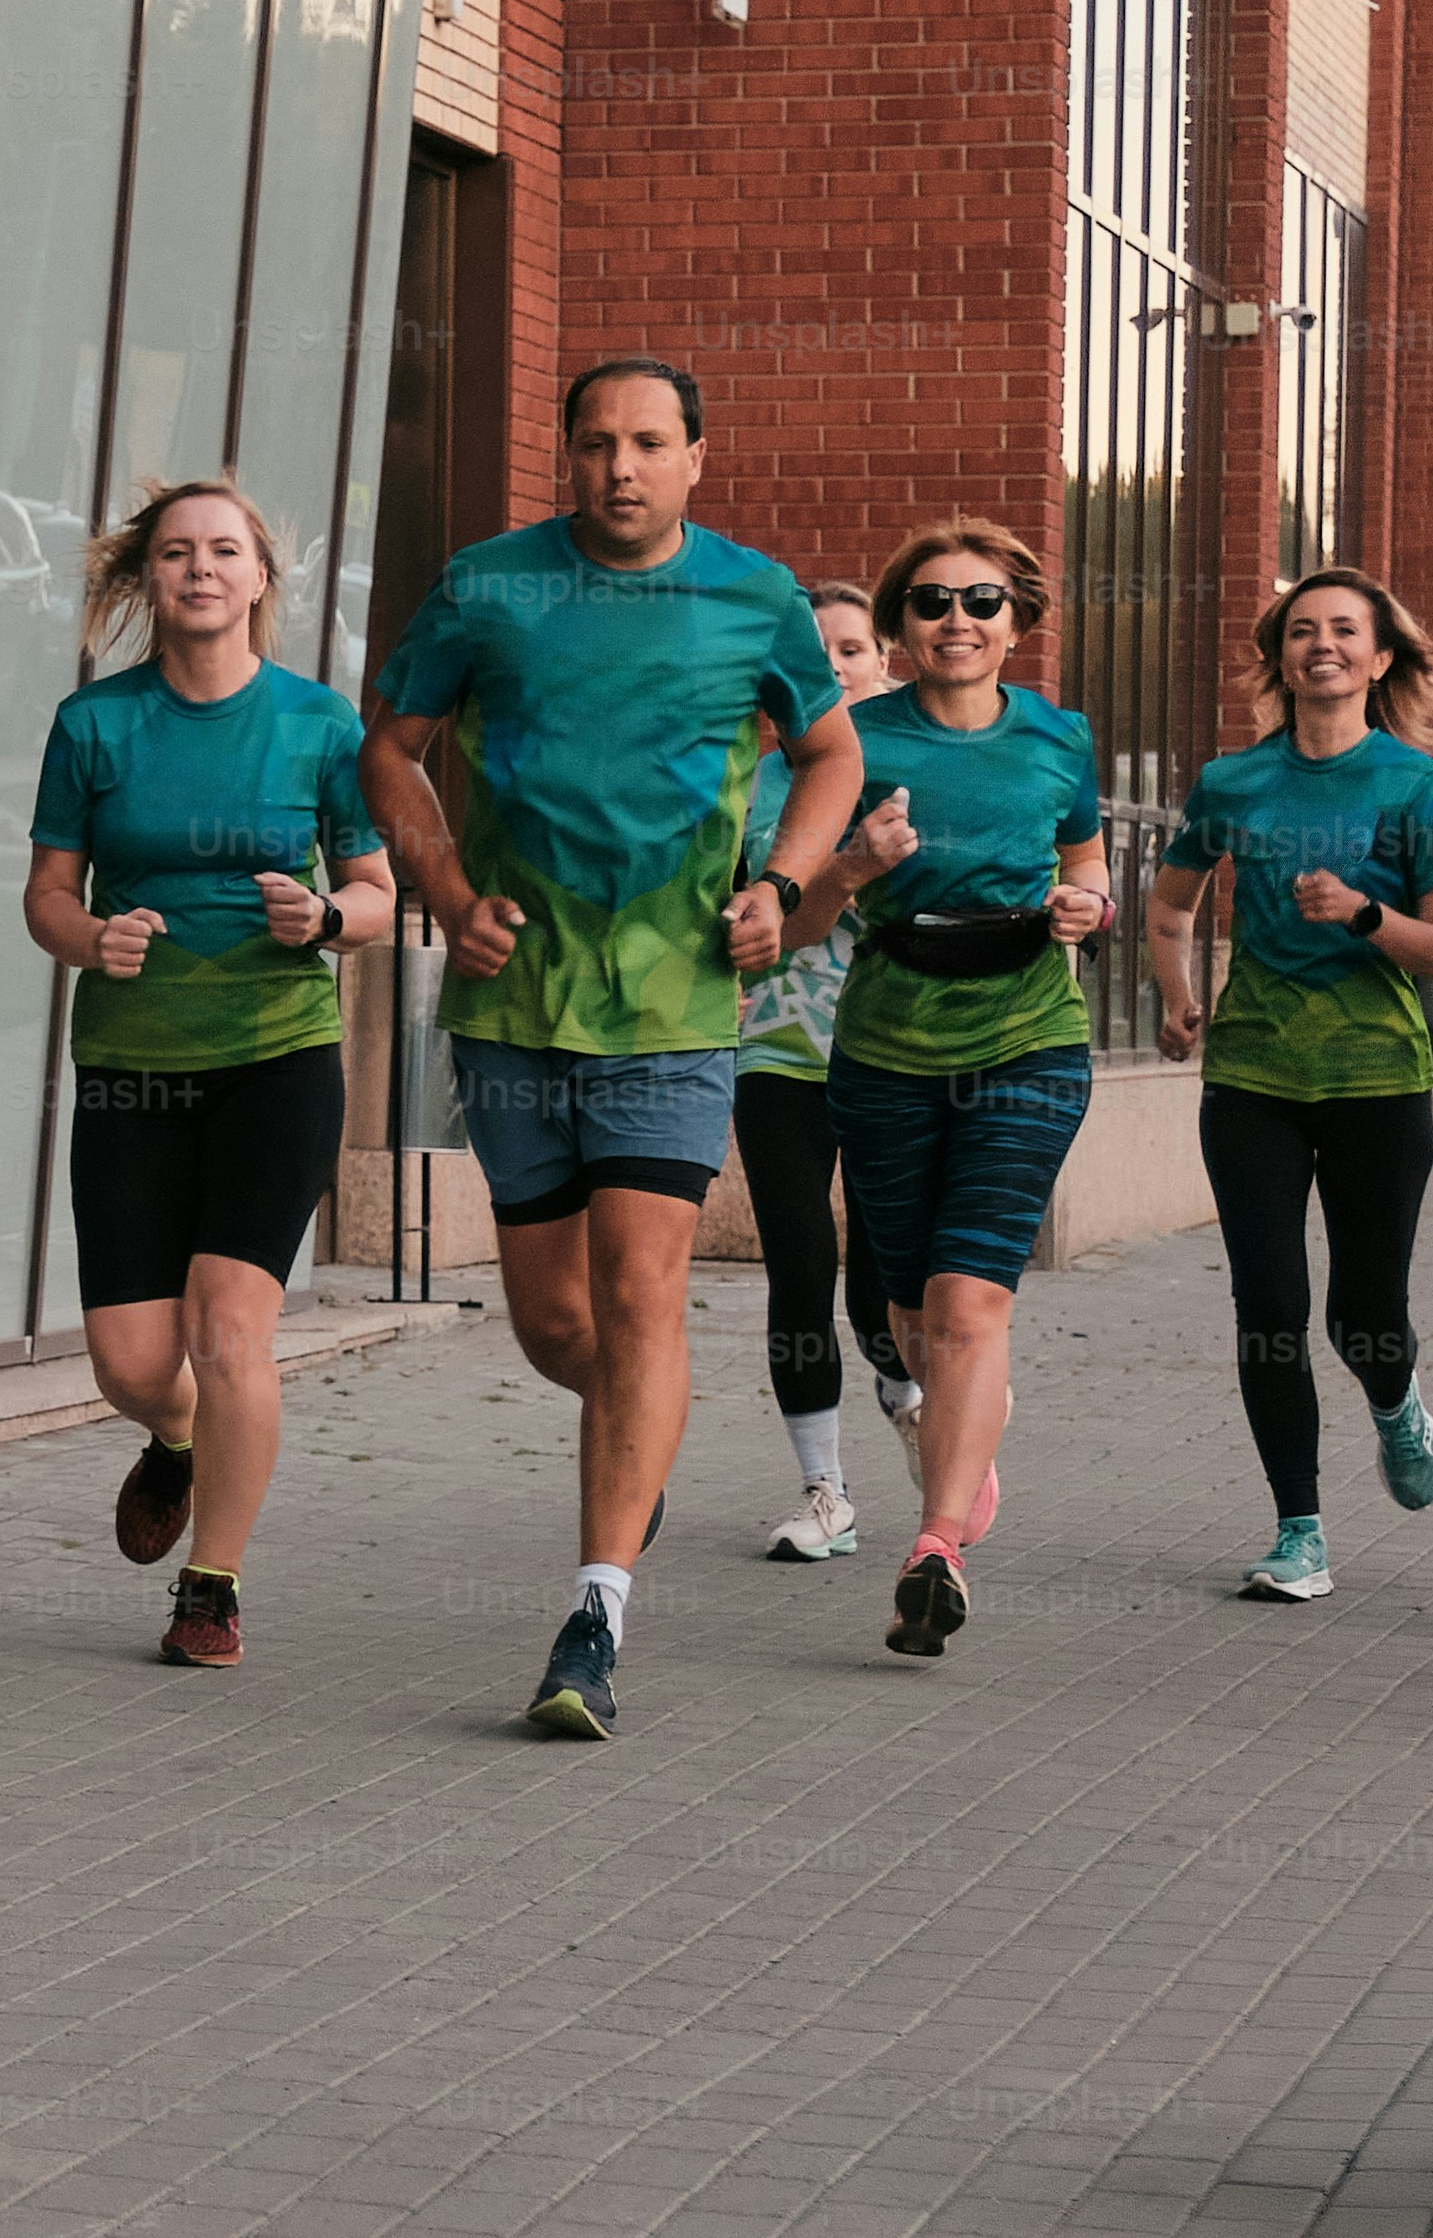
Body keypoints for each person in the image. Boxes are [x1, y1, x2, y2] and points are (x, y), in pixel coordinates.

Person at [364, 360, 865, 1739]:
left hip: (681, 998)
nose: (621, 467)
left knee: (644, 1292)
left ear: (698, 456)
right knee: (558, 1322)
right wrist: (450, 897)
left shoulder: (754, 595)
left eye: (649, 442)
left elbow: (831, 755)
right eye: (596, 443)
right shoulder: (488, 585)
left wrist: (783, 879)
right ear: (565, 454)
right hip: (518, 997)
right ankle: (642, 1425)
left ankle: (596, 1613)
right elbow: (390, 751)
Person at [29, 478, 395, 1669]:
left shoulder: (319, 726)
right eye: (176, 552)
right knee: (137, 1362)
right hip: (132, 1066)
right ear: (145, 580)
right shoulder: (95, 727)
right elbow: (47, 894)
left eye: (224, 551)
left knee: (232, 1327)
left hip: (276, 1058)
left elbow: (381, 896)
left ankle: (212, 1585)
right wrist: (92, 938)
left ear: (259, 580)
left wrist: (326, 919)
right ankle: (178, 1437)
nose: (200, 569)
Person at [764, 519, 1104, 1666]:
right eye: (932, 602)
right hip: (887, 1037)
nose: (957, 620)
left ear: (1019, 621)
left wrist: (1089, 911)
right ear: (902, 626)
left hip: (1028, 1033)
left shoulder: (1060, 739)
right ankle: (950, 1442)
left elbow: (1087, 864)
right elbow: (794, 924)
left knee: (969, 1303)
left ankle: (936, 1548)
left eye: (983, 601)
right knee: (907, 1313)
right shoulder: (850, 741)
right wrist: (855, 865)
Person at [1142, 570, 1433, 1601]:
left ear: (1379, 660)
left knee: (1362, 1309)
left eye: (1343, 632)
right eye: (1301, 631)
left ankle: (1396, 1401)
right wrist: (1174, 995)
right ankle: (1299, 1532)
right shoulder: (1232, 782)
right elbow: (1169, 902)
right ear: (1281, 657)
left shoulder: (1417, 787)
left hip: (1378, 1075)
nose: (1319, 645)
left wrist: (1363, 914)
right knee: (1269, 1304)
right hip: (1254, 1074)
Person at [742, 580, 923, 1562]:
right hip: (776, 1051)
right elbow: (769, 934)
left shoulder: (912, 769)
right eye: (812, 652)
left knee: (883, 1285)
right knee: (801, 1268)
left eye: (850, 650)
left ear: (884, 664)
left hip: (896, 1050)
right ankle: (825, 1493)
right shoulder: (754, 783)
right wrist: (846, 870)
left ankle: (906, 1391)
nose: (833, 666)